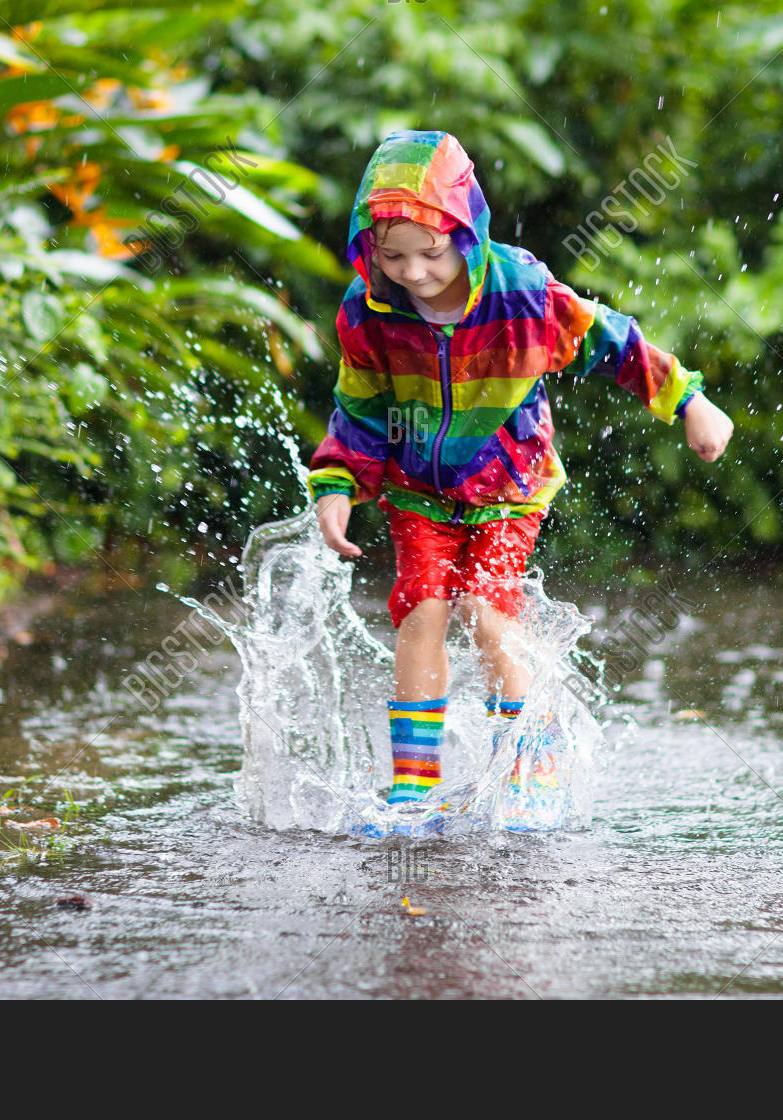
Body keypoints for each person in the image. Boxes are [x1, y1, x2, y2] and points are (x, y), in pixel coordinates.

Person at [307, 129, 732, 806]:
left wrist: (688, 400)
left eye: (431, 253)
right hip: (417, 489)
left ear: (466, 233)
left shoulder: (520, 294)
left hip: (510, 484)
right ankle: (412, 789)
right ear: (370, 251)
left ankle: (531, 770)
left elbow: (610, 339)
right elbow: (358, 407)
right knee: (421, 612)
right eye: (394, 257)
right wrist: (336, 484)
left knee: (486, 610)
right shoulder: (370, 312)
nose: (414, 272)